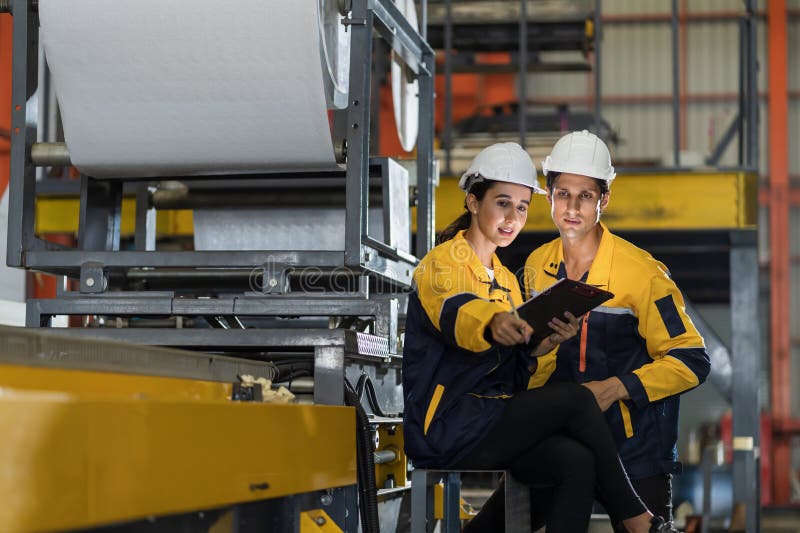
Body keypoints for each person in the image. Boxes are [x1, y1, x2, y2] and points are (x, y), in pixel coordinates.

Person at [402, 142, 677, 533]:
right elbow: (458, 311)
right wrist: (492, 322)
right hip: (447, 426)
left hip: (491, 419)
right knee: (578, 398)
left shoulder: (510, 280)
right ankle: (635, 519)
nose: (512, 217)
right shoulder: (442, 264)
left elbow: (515, 374)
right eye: (502, 203)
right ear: (473, 202)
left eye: (522, 206)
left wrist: (541, 348)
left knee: (576, 460)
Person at [523, 130, 711, 530]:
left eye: (585, 196)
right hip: (561, 445)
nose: (572, 207)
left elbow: (691, 359)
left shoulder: (642, 273)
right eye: (562, 193)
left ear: (603, 199)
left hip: (635, 453)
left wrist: (615, 388)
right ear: (549, 194)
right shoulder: (536, 266)